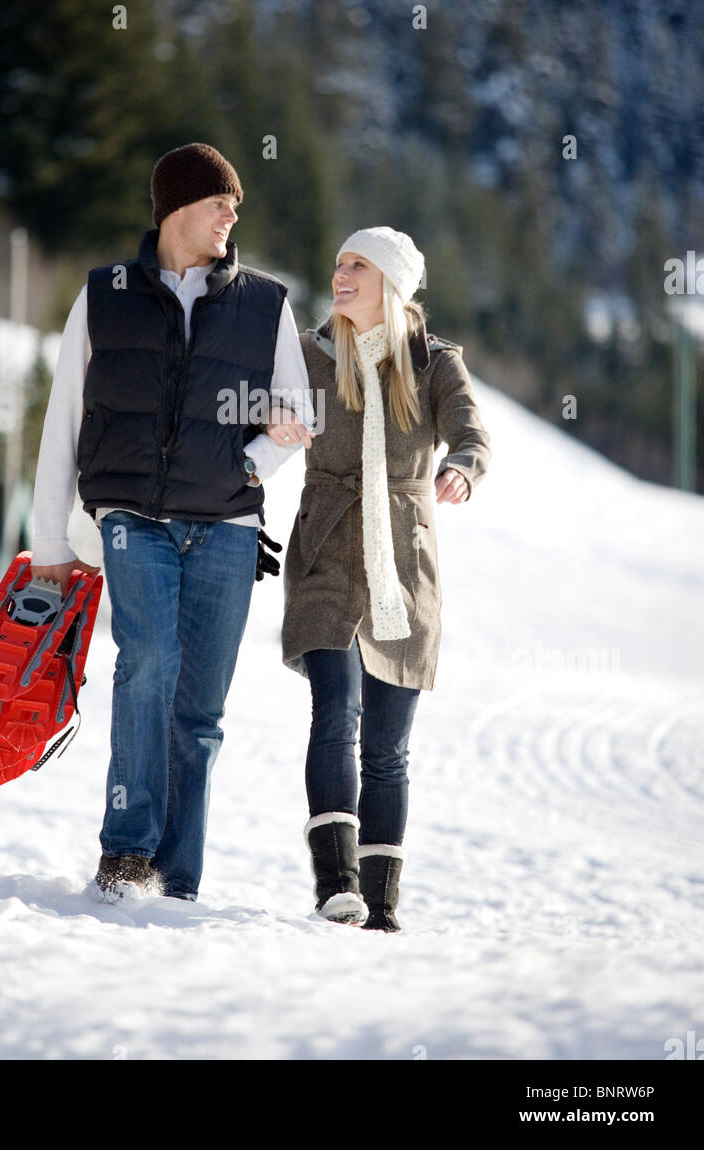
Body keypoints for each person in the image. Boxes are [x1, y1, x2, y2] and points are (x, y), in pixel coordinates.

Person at [30, 143, 314, 904]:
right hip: (132, 517)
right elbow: (63, 422)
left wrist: (256, 459)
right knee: (146, 661)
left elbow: (299, 410)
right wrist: (50, 543)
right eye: (221, 202)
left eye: (235, 206)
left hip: (225, 527)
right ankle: (126, 854)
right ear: (176, 208)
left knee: (199, 711)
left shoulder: (265, 303)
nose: (232, 215)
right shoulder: (105, 296)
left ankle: (177, 876)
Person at [267, 226, 491, 931]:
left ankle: (382, 906)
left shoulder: (433, 362)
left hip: (404, 565)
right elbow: (255, 407)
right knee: (335, 711)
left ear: (391, 282)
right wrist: (270, 416)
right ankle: (336, 884)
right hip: (327, 554)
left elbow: (472, 432)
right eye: (337, 262)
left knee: (388, 750)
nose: (341, 274)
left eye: (357, 265)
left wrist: (461, 467)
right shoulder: (308, 354)